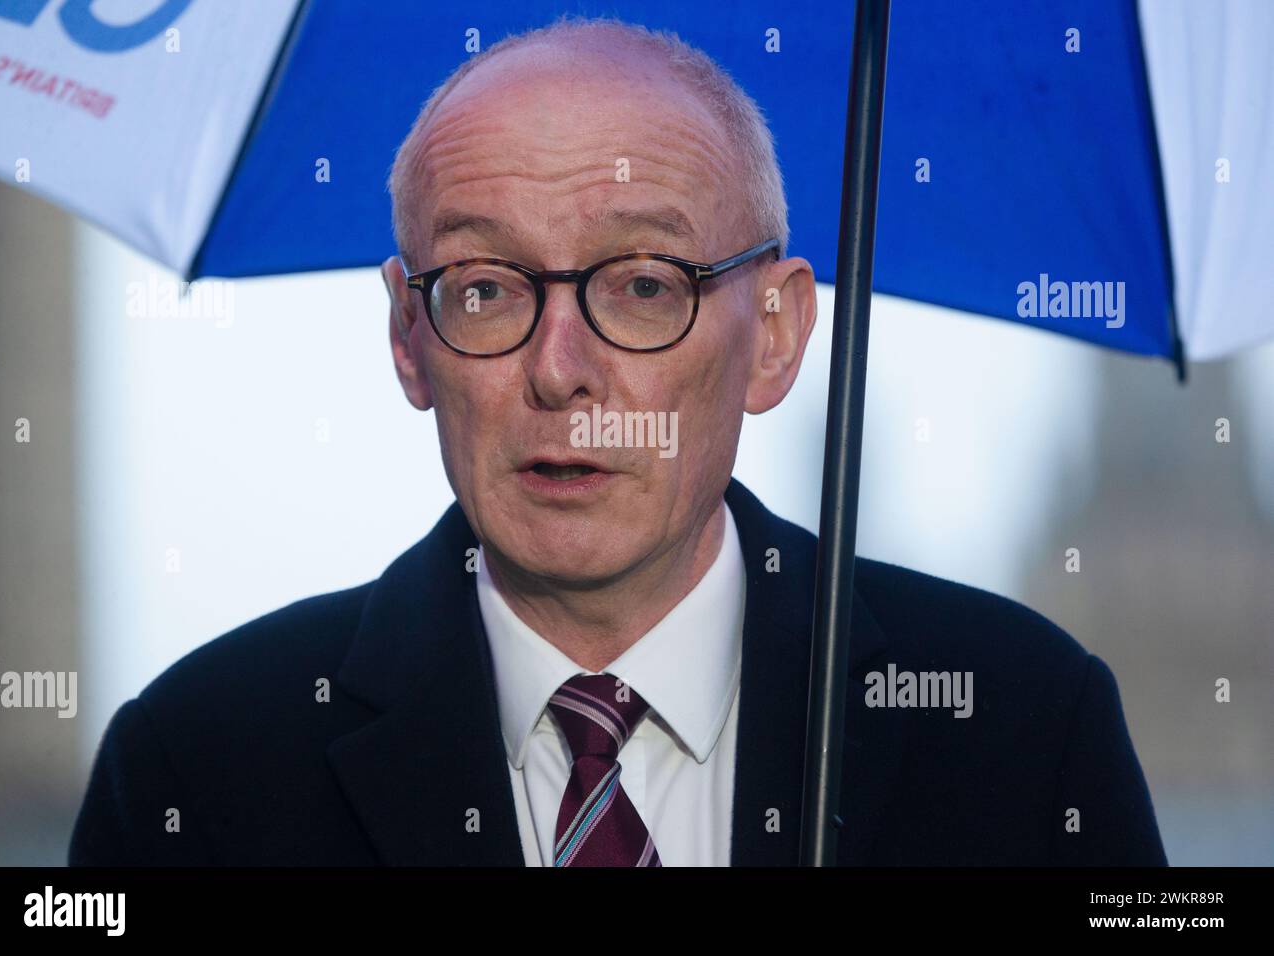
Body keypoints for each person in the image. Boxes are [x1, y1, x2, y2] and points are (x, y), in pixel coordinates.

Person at [69, 16, 1167, 867]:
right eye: (487, 289)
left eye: (644, 285)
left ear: (774, 334)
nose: (559, 368)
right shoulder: (196, 767)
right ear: (410, 337)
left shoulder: (1025, 727)